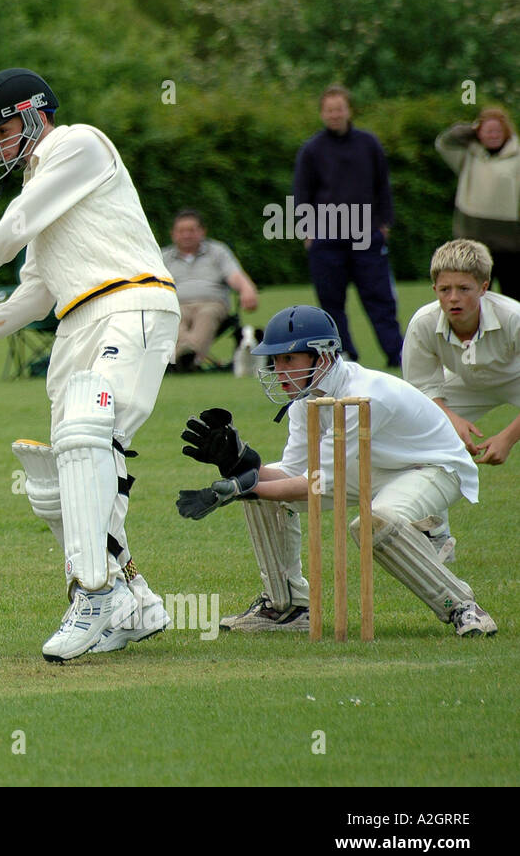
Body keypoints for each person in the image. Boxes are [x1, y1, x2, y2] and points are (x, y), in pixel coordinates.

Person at [0, 67, 180, 661]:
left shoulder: (79, 144)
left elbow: (15, 224)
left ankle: (92, 595)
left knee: (86, 437)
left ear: (34, 115)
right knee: (58, 480)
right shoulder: (40, 186)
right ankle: (136, 601)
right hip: (76, 322)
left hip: (128, 303)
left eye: (1, 132)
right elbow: (34, 293)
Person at [175, 305, 497, 637]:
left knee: (373, 522)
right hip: (373, 467)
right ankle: (287, 608)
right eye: (276, 360)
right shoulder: (307, 398)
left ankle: (463, 605)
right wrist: (239, 465)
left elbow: (314, 484)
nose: (278, 370)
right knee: (264, 490)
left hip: (433, 467)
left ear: (324, 356)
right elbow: (293, 472)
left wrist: (244, 486)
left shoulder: (362, 397)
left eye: (289, 360)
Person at [294, 84, 403, 366]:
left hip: (366, 235)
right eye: (329, 110)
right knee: (331, 302)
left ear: (349, 110)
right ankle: (343, 355)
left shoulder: (369, 144)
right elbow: (302, 193)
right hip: (326, 238)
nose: (334, 114)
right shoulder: (311, 150)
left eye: (339, 109)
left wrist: (384, 223)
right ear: (321, 113)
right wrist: (307, 230)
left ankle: (396, 354)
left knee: (380, 300)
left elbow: (382, 186)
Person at [404, 239, 520, 467]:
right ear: (434, 289)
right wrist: (450, 419)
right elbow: (421, 389)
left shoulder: (513, 317)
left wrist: (506, 439)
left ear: (483, 288)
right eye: (445, 289)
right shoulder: (423, 322)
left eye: (464, 289)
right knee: (414, 427)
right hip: (466, 382)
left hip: (515, 377)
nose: (453, 298)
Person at [434, 107, 520, 297]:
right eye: (488, 131)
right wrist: (470, 130)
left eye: (498, 130)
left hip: (511, 243)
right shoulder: (468, 155)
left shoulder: (516, 156)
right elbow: (444, 143)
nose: (493, 135)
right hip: (472, 240)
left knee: (512, 298)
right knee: (474, 298)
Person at [160, 208, 259, 370]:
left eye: (191, 230)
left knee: (206, 314)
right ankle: (188, 356)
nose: (186, 235)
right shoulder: (163, 257)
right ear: (173, 234)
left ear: (202, 231)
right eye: (181, 231)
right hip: (176, 304)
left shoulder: (218, 252)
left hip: (212, 303)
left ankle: (183, 358)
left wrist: (247, 289)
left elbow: (235, 275)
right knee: (173, 317)